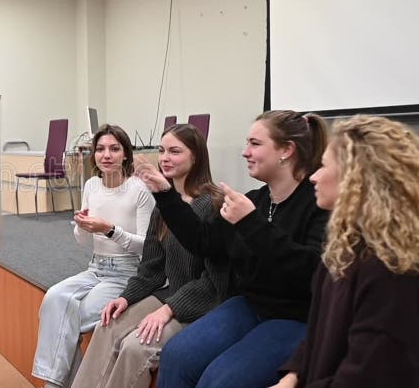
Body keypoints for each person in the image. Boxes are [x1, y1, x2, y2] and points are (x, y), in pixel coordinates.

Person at [137, 110, 330, 388]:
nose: (245, 152)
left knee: (219, 381)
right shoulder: (256, 200)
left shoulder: (318, 205)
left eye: (255, 144)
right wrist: (166, 195)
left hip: (297, 317)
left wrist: (251, 223)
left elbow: (310, 273)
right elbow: (203, 242)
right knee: (177, 354)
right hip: (249, 305)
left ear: (286, 150)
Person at [72, 124, 232, 388]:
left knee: (136, 346)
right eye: (161, 150)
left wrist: (169, 309)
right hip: (172, 295)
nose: (165, 158)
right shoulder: (164, 206)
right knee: (107, 325)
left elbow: (215, 283)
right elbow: (151, 268)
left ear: (196, 156)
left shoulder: (214, 204)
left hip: (204, 304)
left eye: (175, 151)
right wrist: (126, 297)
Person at [271, 115, 419, 388]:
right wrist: (292, 376)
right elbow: (318, 335)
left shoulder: (390, 269)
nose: (314, 176)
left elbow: (368, 376)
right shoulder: (344, 249)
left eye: (324, 166)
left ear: (356, 178)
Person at [31, 124, 155, 388]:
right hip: (95, 268)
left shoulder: (139, 190)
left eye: (114, 148)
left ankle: (54, 386)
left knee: (68, 319)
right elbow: (82, 241)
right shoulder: (90, 185)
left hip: (126, 272)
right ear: (93, 155)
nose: (106, 155)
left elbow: (147, 248)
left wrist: (109, 230)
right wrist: (82, 225)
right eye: (100, 149)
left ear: (126, 154)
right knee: (53, 299)